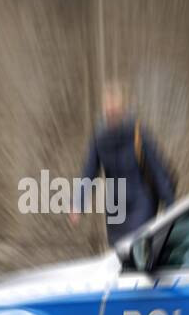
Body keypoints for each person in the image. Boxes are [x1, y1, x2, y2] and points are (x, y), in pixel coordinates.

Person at [72, 82, 177, 246]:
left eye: (115, 109)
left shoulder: (137, 134)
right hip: (116, 207)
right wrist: (78, 202)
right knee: (119, 253)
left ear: (122, 109)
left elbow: (157, 168)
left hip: (141, 203)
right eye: (109, 110)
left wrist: (170, 205)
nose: (112, 113)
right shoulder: (99, 138)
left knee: (138, 248)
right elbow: (89, 171)